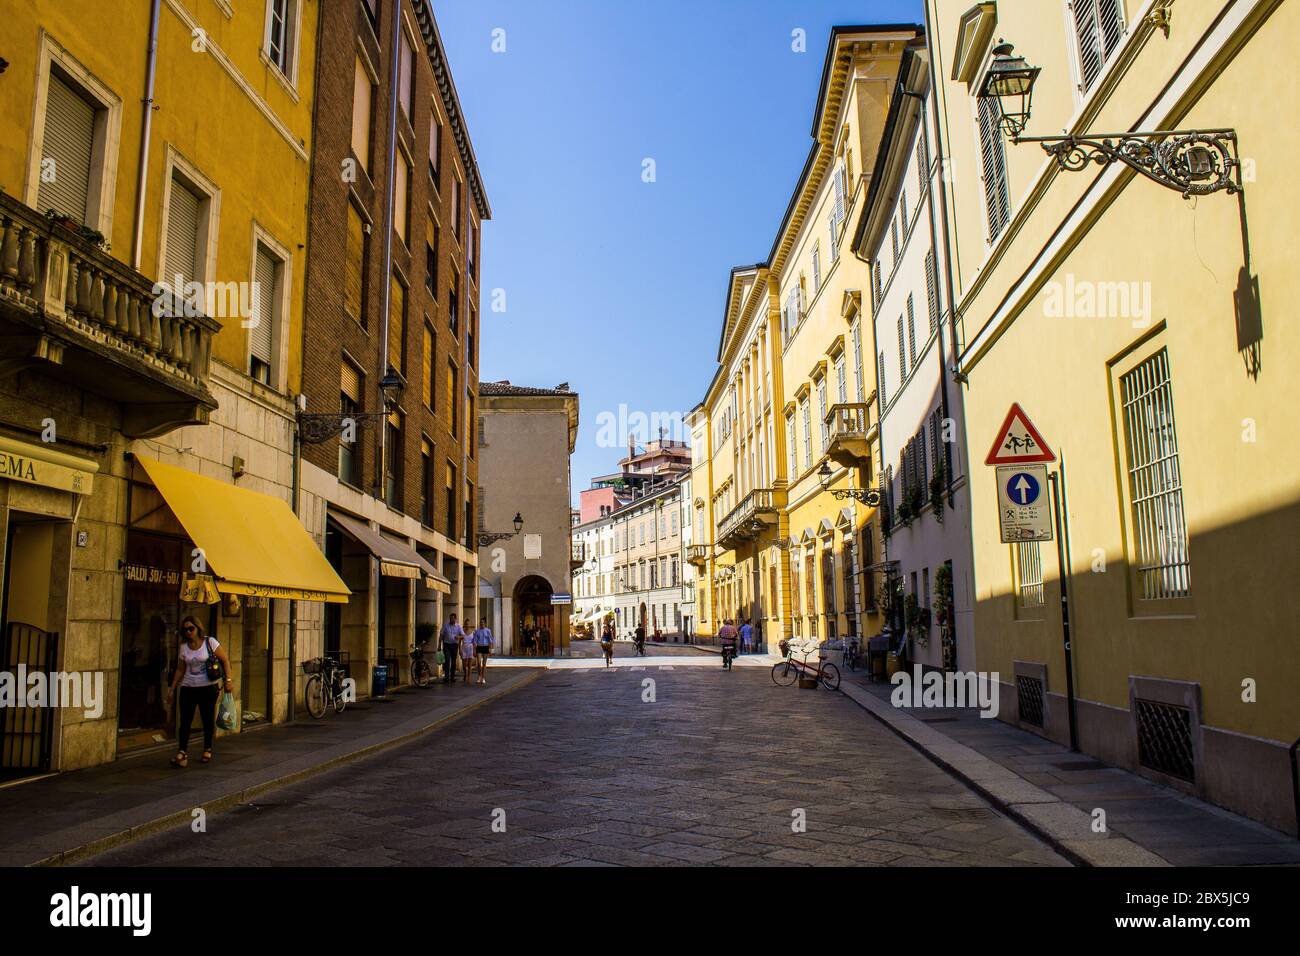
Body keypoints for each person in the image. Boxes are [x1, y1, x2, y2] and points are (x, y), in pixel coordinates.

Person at [166, 615, 233, 768]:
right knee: (185, 721)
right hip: (188, 687)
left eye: (191, 628)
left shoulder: (210, 642)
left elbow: (225, 660)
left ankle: (207, 748)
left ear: (198, 628)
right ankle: (182, 753)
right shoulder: (184, 647)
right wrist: (172, 688)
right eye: (186, 629)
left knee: (207, 718)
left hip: (208, 687)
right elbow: (180, 669)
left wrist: (228, 681)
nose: (188, 632)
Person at [440, 614, 464, 684]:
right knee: (447, 660)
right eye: (450, 618)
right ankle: (446, 677)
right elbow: (441, 635)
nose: (451, 620)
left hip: (454, 645)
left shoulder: (458, 626)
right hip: (446, 645)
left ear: (455, 619)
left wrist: (458, 637)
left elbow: (463, 636)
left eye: (453, 619)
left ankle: (452, 677)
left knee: (453, 662)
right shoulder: (445, 625)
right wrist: (439, 645)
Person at [472, 620, 493, 685]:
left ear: (485, 623)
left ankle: (483, 678)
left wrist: (491, 650)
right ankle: (479, 677)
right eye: (481, 623)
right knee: (478, 662)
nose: (482, 624)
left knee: (484, 663)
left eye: (483, 623)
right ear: (479, 623)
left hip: (485, 647)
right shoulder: (477, 631)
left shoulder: (488, 631)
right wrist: (474, 650)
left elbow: (490, 640)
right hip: (479, 647)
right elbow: (474, 641)